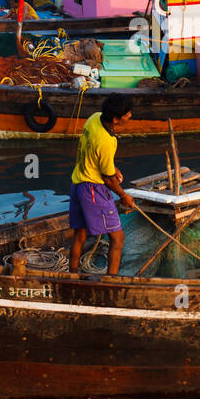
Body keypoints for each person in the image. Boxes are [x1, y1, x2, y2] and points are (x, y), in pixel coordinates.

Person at [69, 95, 137, 276]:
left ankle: (72, 276)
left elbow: (92, 152)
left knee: (79, 236)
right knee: (118, 239)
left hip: (77, 185)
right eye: (127, 113)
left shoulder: (94, 118)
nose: (130, 115)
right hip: (93, 190)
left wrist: (112, 167)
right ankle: (111, 283)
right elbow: (108, 180)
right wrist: (124, 196)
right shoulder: (107, 141)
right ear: (116, 119)